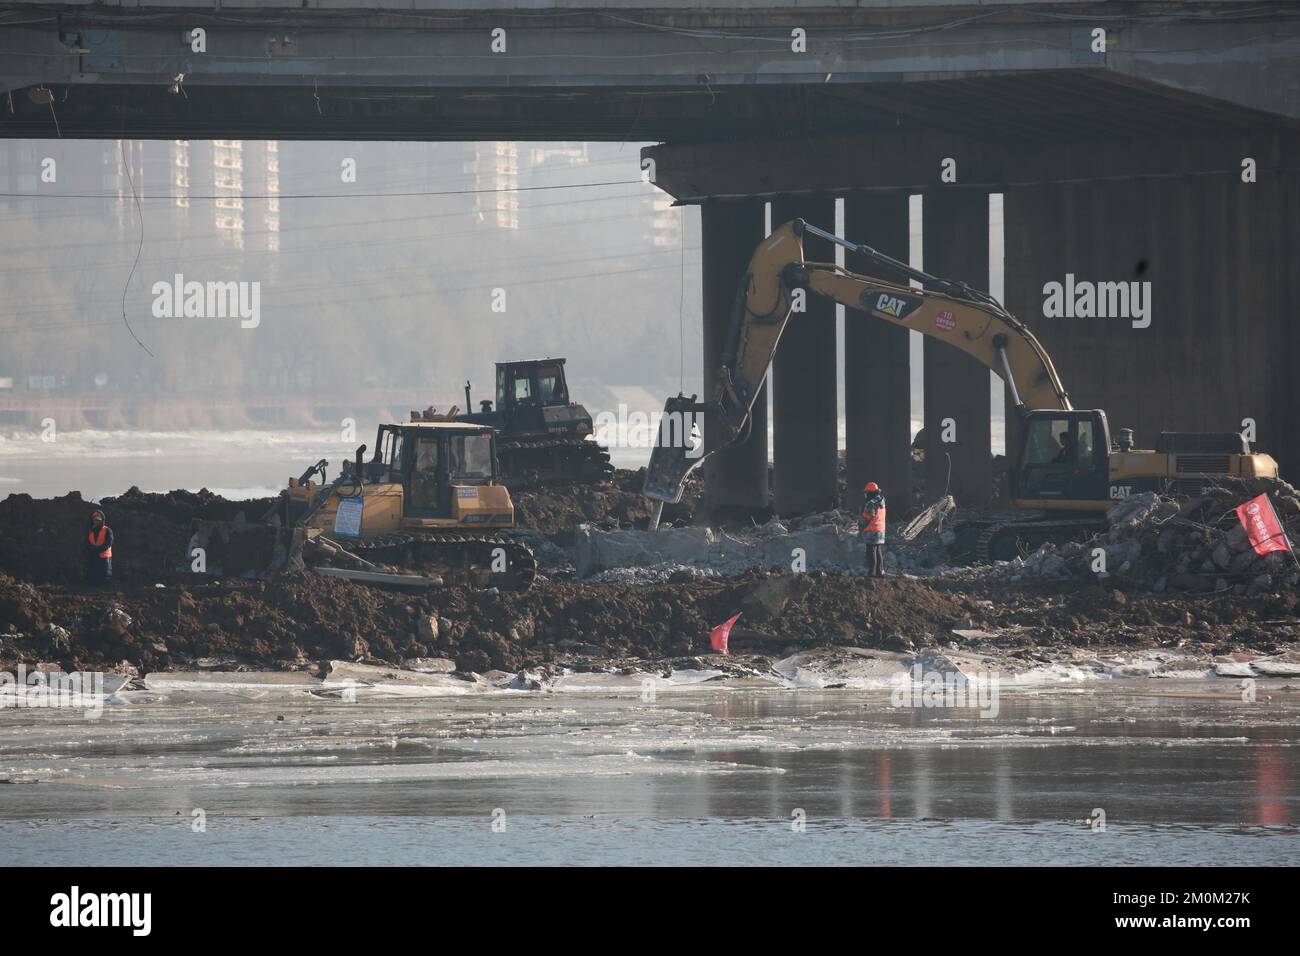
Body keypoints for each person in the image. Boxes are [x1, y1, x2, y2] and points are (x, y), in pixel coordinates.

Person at [859, 482, 887, 578]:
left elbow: (868, 517)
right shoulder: (881, 501)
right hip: (880, 530)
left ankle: (872, 572)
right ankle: (880, 571)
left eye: (866, 492)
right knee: (878, 550)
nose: (865, 494)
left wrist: (861, 526)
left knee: (871, 551)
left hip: (872, 530)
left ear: (870, 493)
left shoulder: (871, 503)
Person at [85, 509, 114, 586]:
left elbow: (109, 543)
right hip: (94, 556)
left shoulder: (108, 530)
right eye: (95, 519)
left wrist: (97, 550)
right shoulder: (91, 531)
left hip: (104, 558)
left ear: (102, 519)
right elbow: (87, 543)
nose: (96, 521)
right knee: (93, 575)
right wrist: (91, 550)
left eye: (98, 519)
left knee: (105, 576)